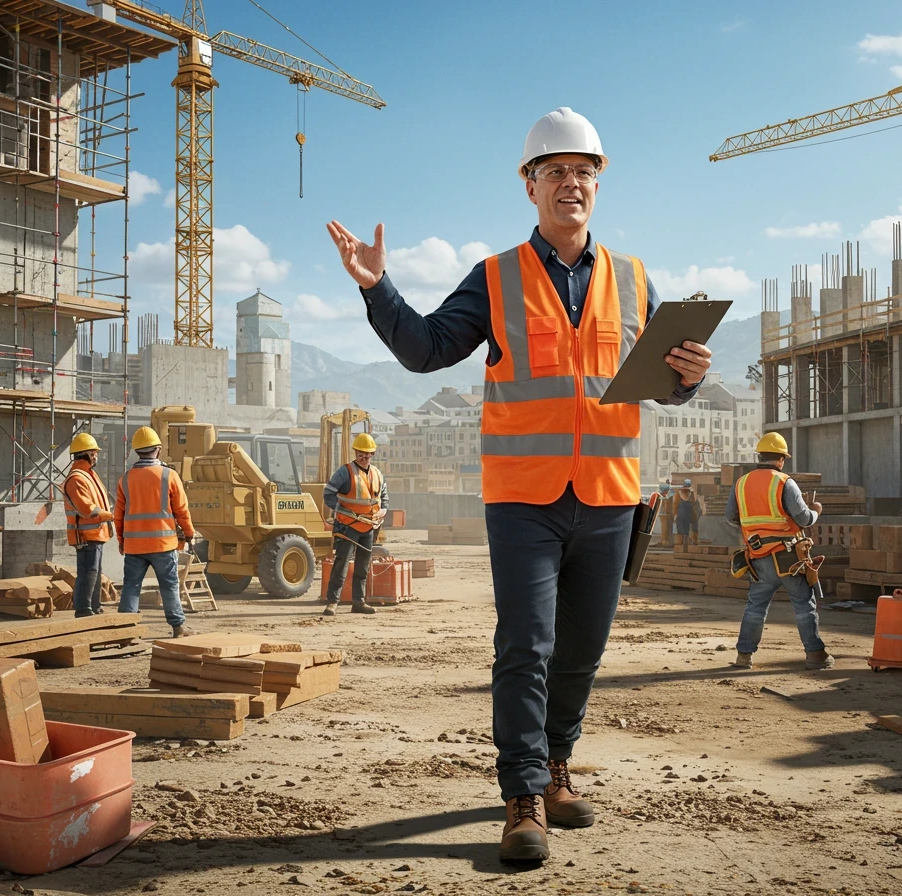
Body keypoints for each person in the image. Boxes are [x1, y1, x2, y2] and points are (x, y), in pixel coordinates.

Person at [325, 107, 712, 863]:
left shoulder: (634, 279)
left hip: (608, 493)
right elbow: (428, 350)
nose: (572, 183)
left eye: (584, 172)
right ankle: (523, 795)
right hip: (523, 499)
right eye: (556, 171)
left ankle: (558, 764)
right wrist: (378, 290)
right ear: (529, 187)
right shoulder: (496, 277)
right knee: (525, 646)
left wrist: (688, 380)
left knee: (582, 650)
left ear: (599, 185)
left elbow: (658, 380)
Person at [726, 432, 833, 672]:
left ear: (760, 456)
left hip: (757, 556)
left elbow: (731, 516)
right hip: (788, 558)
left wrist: (755, 530)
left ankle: (744, 657)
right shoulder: (784, 482)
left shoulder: (741, 483)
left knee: (755, 607)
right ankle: (815, 654)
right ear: (782, 459)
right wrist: (816, 510)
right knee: (804, 605)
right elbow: (804, 518)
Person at [116, 426, 196, 638]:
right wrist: (189, 533)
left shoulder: (125, 479)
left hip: (134, 546)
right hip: (163, 545)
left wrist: (121, 541)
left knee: (131, 587)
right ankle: (178, 627)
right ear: (158, 450)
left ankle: (126, 631)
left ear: (137, 451)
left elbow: (119, 515)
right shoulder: (169, 475)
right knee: (169, 586)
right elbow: (182, 509)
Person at [322, 432, 387, 616]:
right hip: (348, 526)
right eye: (361, 453)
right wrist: (340, 511)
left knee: (362, 566)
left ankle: (359, 602)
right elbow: (328, 494)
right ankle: (332, 601)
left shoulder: (377, 474)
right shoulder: (345, 472)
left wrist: (384, 510)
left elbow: (384, 498)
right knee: (341, 563)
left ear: (372, 454)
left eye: (367, 454)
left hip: (368, 527)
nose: (364, 457)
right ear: (355, 453)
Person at [62, 432, 113, 618]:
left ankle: (94, 606)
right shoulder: (77, 478)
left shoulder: (87, 475)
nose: (96, 456)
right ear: (88, 454)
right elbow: (86, 509)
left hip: (95, 534)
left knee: (94, 572)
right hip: (85, 535)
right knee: (87, 573)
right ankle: (83, 609)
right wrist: (110, 516)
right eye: (94, 453)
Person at [673, 478, 703, 545]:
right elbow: (693, 503)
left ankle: (680, 544)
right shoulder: (691, 493)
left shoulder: (678, 493)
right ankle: (685, 543)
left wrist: (675, 514)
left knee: (680, 529)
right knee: (686, 530)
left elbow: (675, 504)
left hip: (680, 514)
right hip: (687, 514)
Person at [649, 482, 674, 547]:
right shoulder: (668, 497)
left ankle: (665, 541)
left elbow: (665, 508)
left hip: (665, 515)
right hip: (665, 515)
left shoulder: (666, 498)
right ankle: (665, 541)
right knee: (666, 529)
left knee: (666, 529)